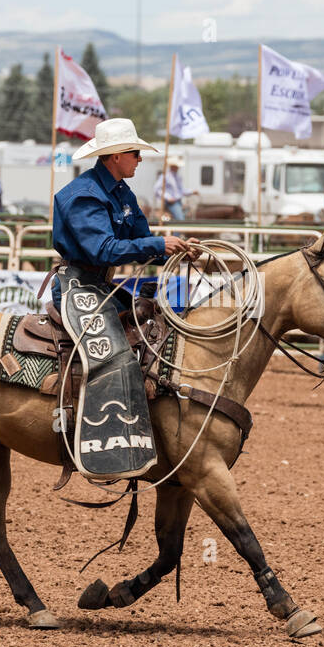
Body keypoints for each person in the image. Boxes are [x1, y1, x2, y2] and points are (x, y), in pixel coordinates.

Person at [51, 118, 198, 479]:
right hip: (77, 287)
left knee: (153, 333)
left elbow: (141, 240)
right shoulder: (83, 196)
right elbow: (102, 249)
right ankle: (96, 429)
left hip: (100, 286)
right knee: (113, 352)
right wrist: (158, 243)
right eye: (135, 153)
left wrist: (177, 249)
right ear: (116, 156)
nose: (140, 159)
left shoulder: (121, 193)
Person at [153, 154, 195, 221]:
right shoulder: (165, 176)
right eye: (176, 166)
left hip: (178, 201)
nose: (178, 167)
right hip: (170, 203)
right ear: (172, 166)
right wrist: (168, 197)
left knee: (185, 215)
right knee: (180, 219)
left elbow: (181, 190)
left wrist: (191, 192)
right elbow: (157, 189)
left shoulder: (178, 177)